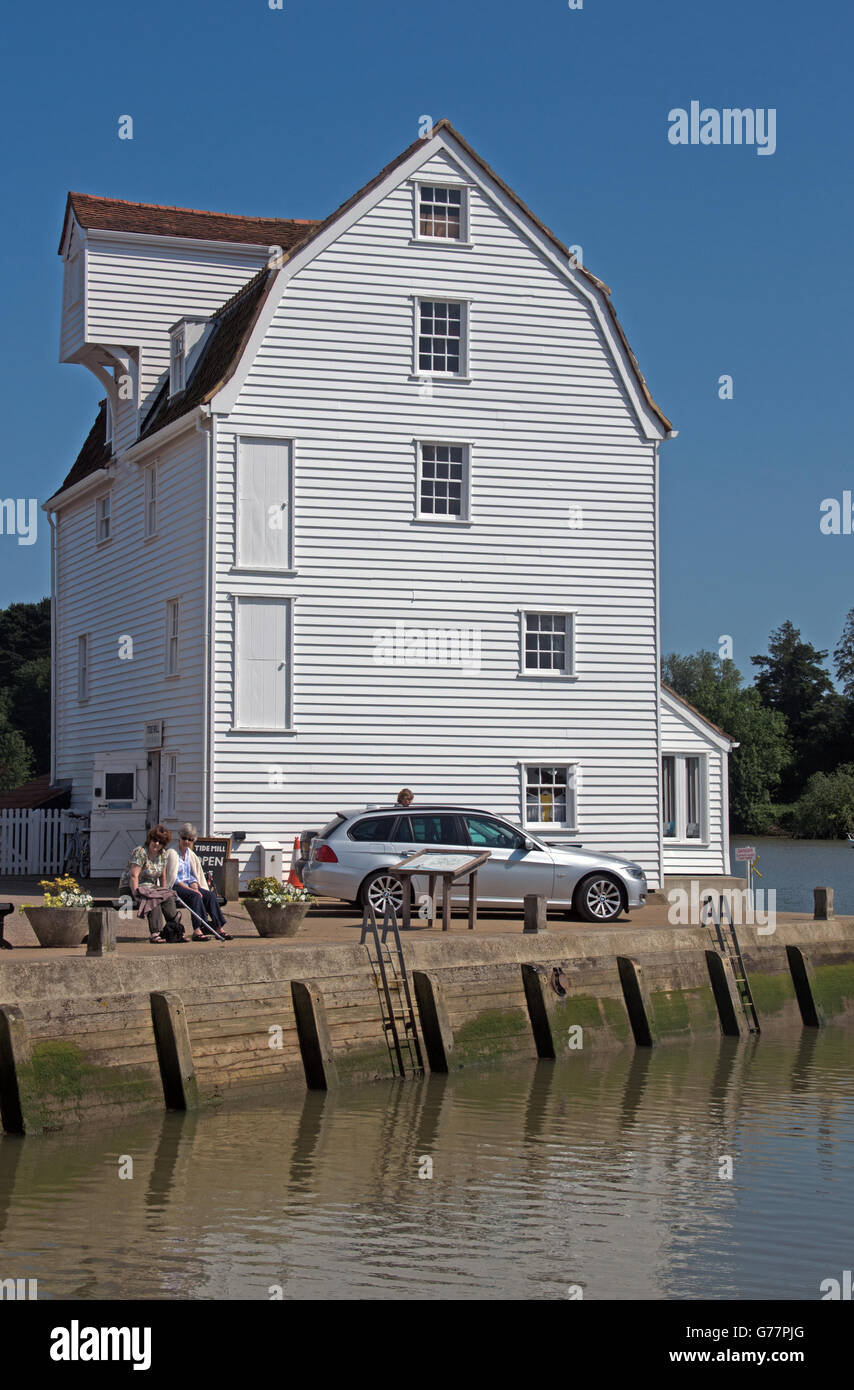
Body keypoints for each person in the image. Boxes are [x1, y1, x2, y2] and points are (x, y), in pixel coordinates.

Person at [119, 826, 186, 943]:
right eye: (155, 840)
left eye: (160, 842)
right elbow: (133, 876)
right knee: (153, 899)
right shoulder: (140, 852)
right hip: (132, 887)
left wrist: (164, 892)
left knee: (168, 898)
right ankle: (155, 932)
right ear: (150, 839)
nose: (157, 844)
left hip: (151, 887)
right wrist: (136, 894)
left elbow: (163, 876)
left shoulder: (163, 854)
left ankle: (175, 930)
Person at [165, 824, 233, 940]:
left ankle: (218, 927)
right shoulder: (171, 853)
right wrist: (191, 890)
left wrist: (195, 885)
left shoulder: (191, 855)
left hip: (188, 886)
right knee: (195, 896)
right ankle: (197, 930)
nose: (187, 841)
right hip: (175, 886)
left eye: (190, 839)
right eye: (185, 838)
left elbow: (193, 875)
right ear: (180, 837)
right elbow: (173, 877)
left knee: (210, 896)